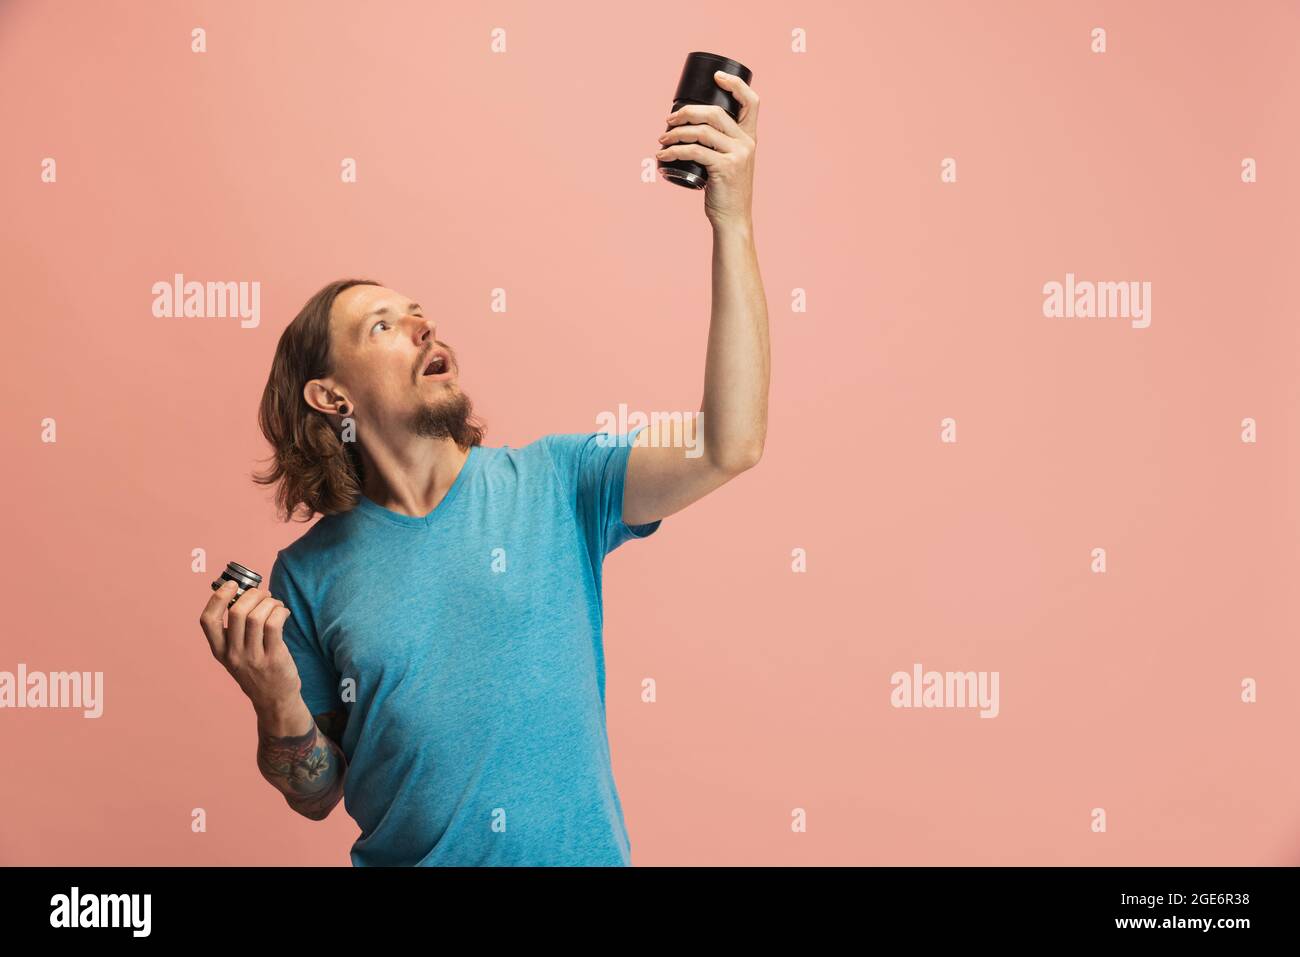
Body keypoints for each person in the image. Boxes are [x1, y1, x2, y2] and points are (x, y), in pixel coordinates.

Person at [198, 71, 768, 865]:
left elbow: (727, 445)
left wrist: (731, 217)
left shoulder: (558, 483)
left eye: (419, 312)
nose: (423, 324)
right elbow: (316, 789)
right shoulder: (306, 574)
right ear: (330, 394)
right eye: (384, 324)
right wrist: (276, 699)